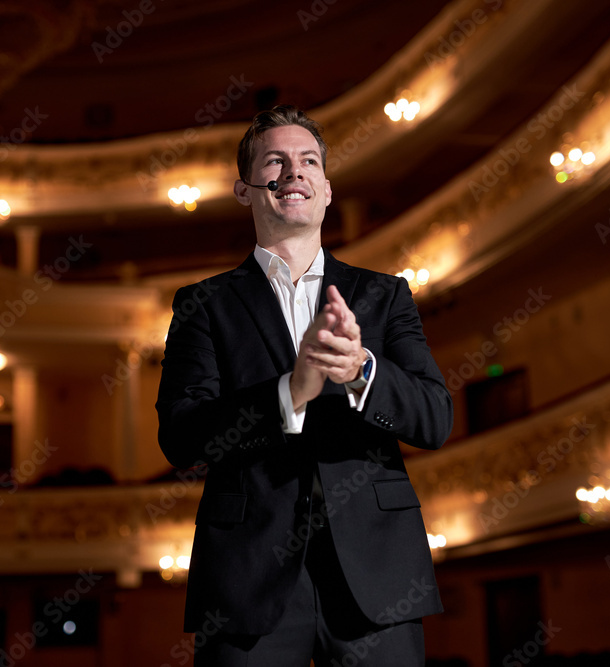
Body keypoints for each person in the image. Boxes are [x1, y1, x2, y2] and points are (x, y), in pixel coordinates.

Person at [156, 105, 453, 666]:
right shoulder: (202, 304)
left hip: (377, 573)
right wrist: (290, 392)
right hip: (247, 581)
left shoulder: (386, 295)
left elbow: (435, 418)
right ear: (245, 189)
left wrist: (361, 369)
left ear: (326, 189)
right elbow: (181, 436)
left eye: (308, 161)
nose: (294, 172)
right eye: (276, 161)